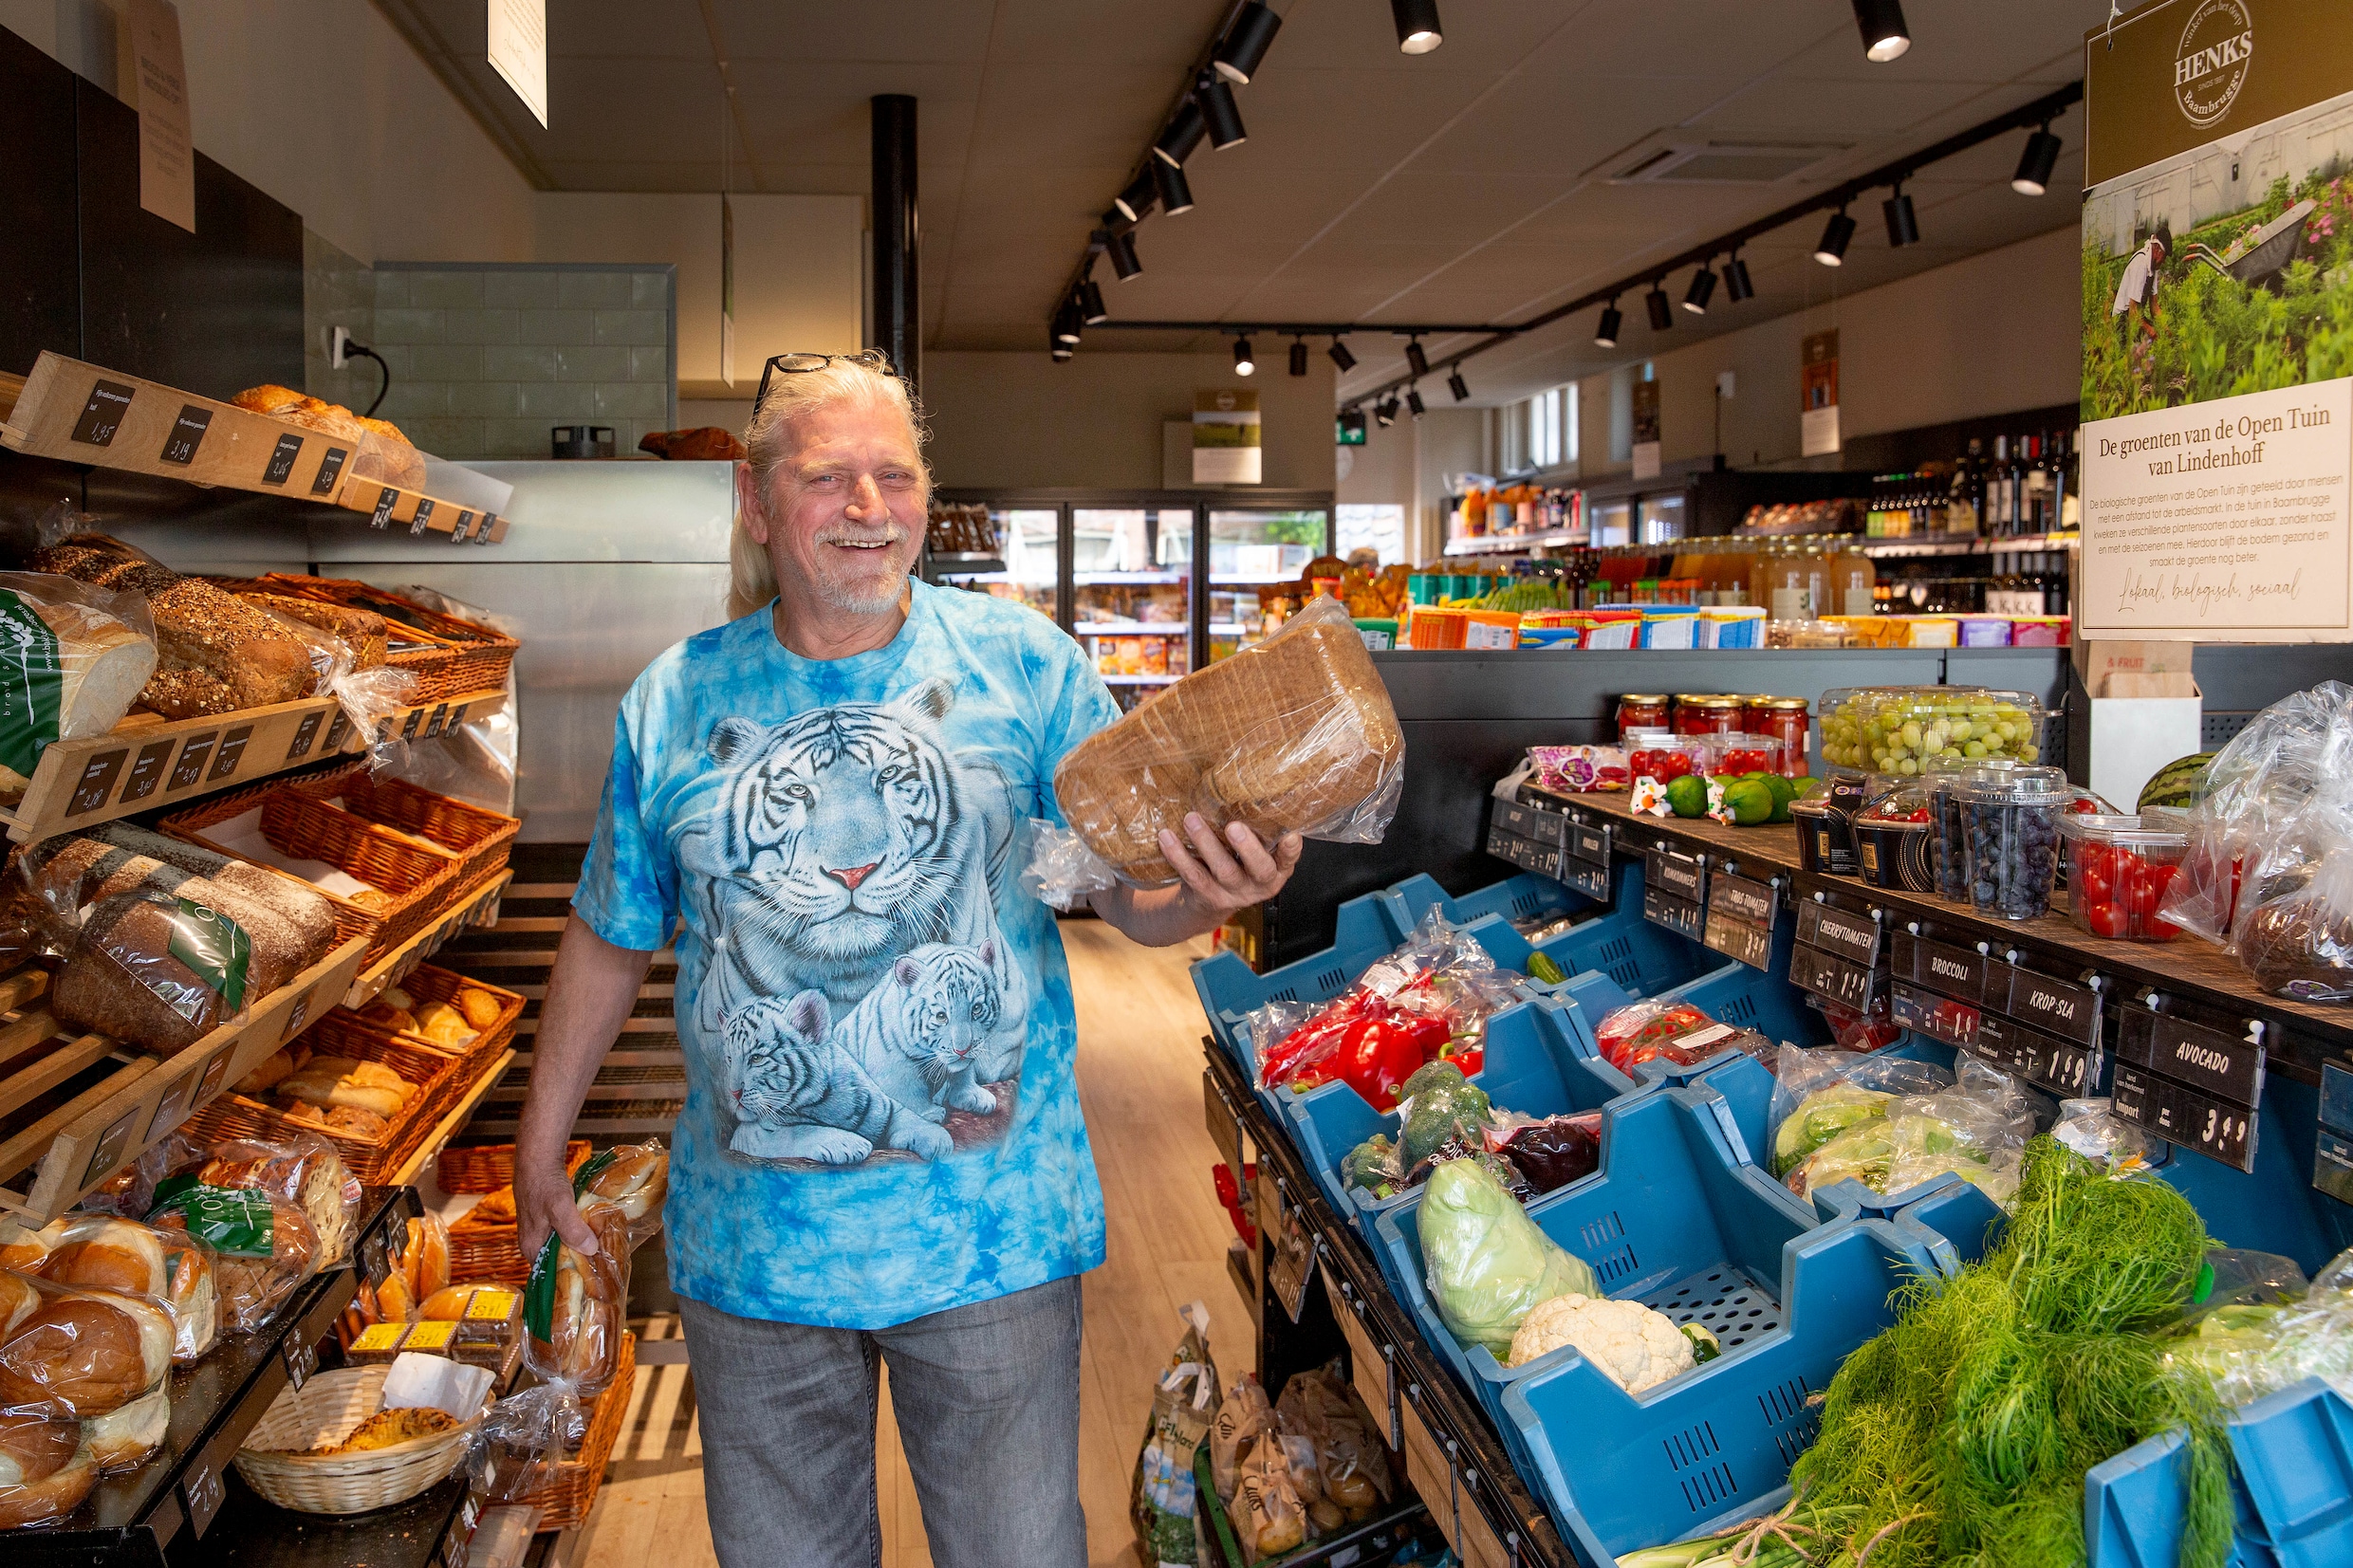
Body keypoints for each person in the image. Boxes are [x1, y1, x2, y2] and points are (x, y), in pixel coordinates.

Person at [514, 350, 1301, 1568]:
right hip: (756, 1257)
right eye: (828, 478)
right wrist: (537, 1141)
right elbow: (613, 932)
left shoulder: (1026, 668)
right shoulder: (674, 698)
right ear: (757, 502)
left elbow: (1121, 898)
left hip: (987, 1243)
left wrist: (1203, 895)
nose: (868, 509)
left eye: (894, 476)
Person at [2112, 223, 2170, 366]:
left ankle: (2140, 368)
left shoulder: (2153, 267)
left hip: (2135, 315)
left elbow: (2154, 306)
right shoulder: (2140, 264)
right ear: (2156, 249)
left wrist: (2165, 328)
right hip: (2122, 319)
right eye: (2163, 256)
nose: (2163, 262)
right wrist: (2150, 329)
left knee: (2152, 340)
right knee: (2127, 359)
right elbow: (2132, 312)